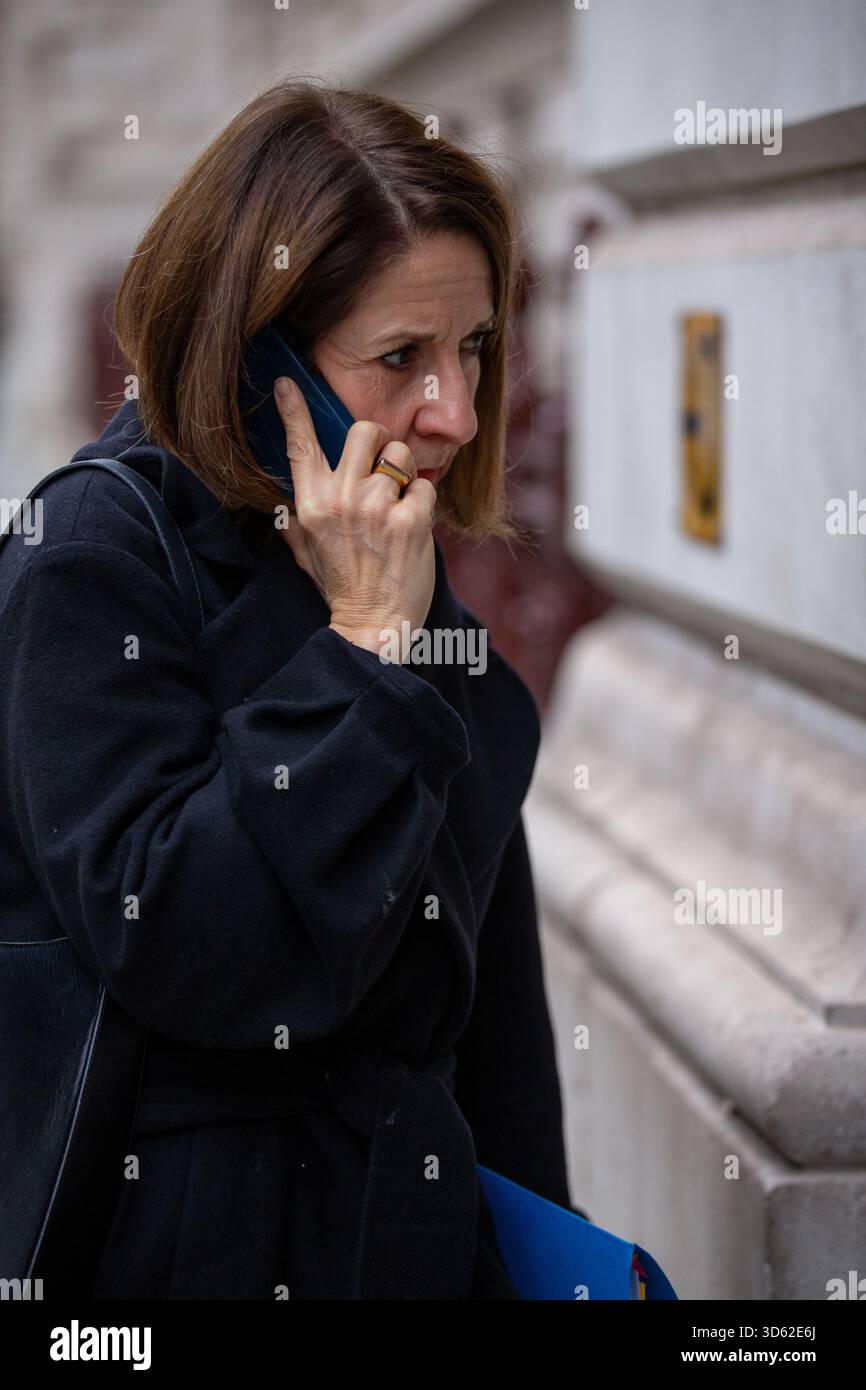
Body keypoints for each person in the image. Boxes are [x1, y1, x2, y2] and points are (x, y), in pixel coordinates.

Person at [0, 79, 573, 1300]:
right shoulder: (96, 555)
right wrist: (361, 652)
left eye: (474, 347)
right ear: (258, 354)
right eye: (399, 359)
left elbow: (490, 1030)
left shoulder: (406, 581)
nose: (458, 413)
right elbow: (183, 938)